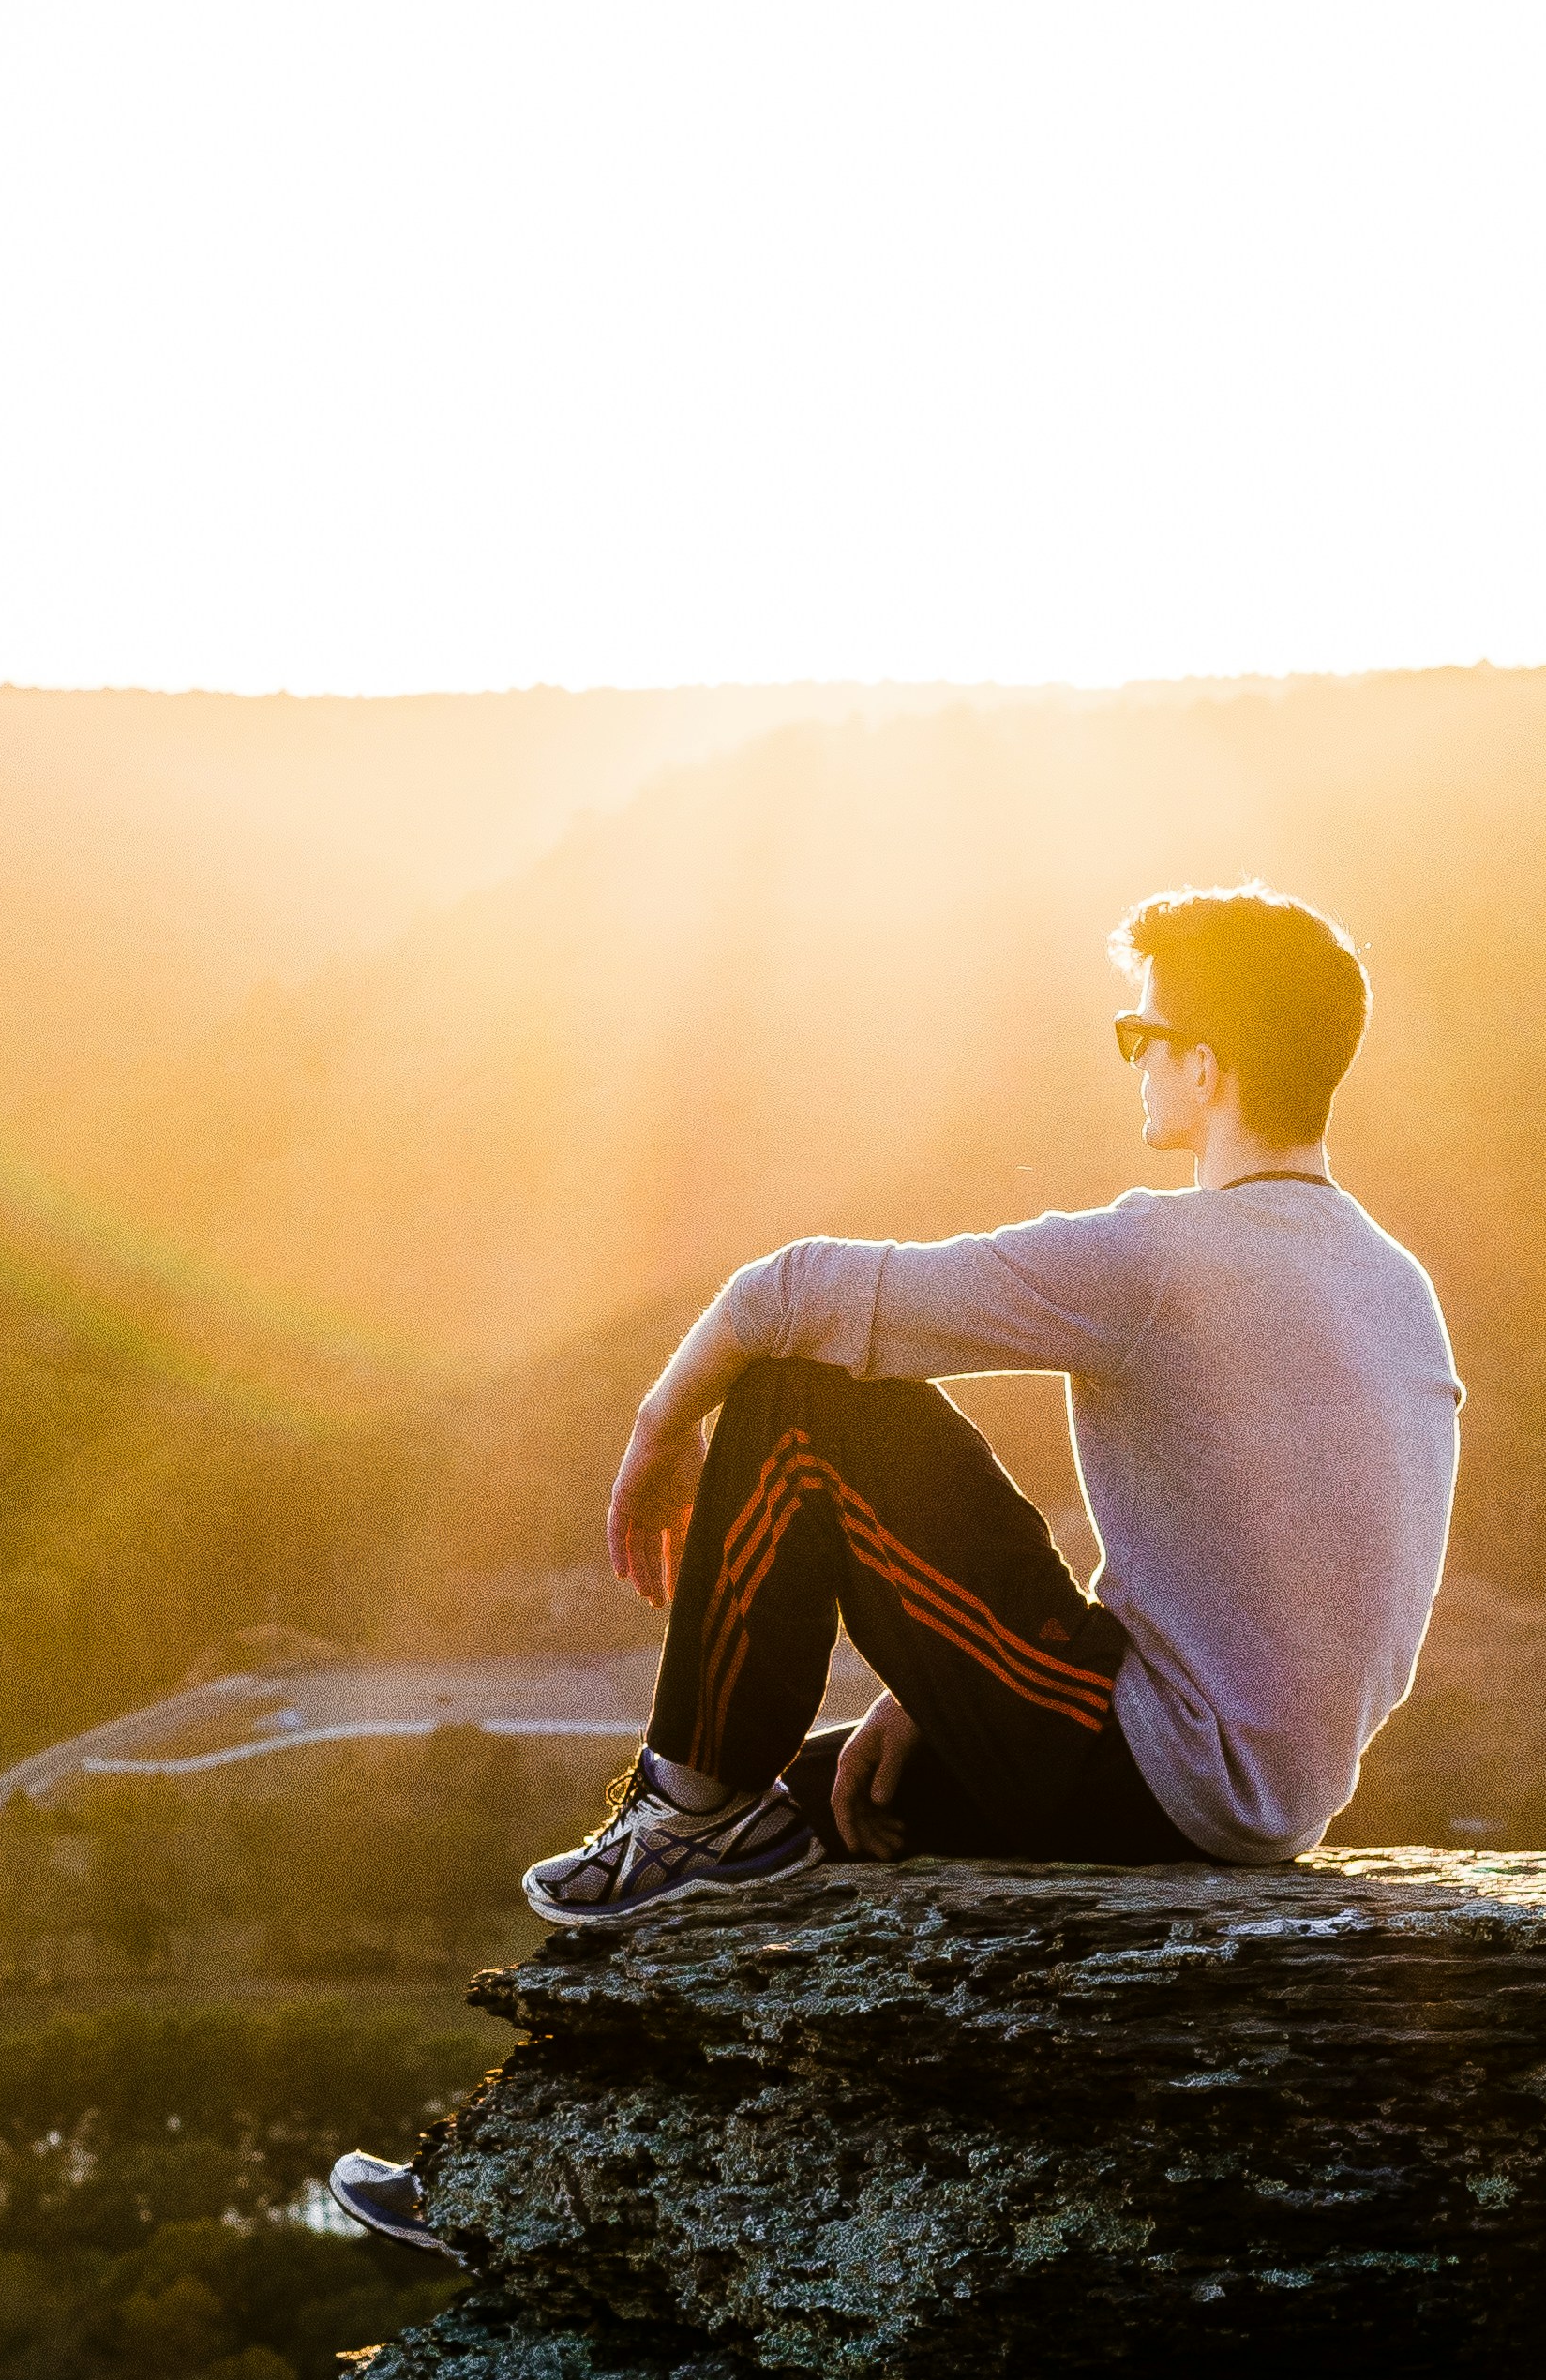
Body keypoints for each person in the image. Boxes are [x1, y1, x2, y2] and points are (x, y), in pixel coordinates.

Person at [326, 888, 1462, 2253]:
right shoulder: (1392, 1279)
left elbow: (788, 1294)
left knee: (811, 1403)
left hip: (1155, 1770)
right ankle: (504, 2194)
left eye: (1139, 1032)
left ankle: (686, 1797)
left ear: (1206, 1065)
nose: (1134, 1061)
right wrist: (949, 1690)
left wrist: (655, 1432)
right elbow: (1284, 1584)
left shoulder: (1162, 1256)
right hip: (1237, 1784)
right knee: (808, 1815)